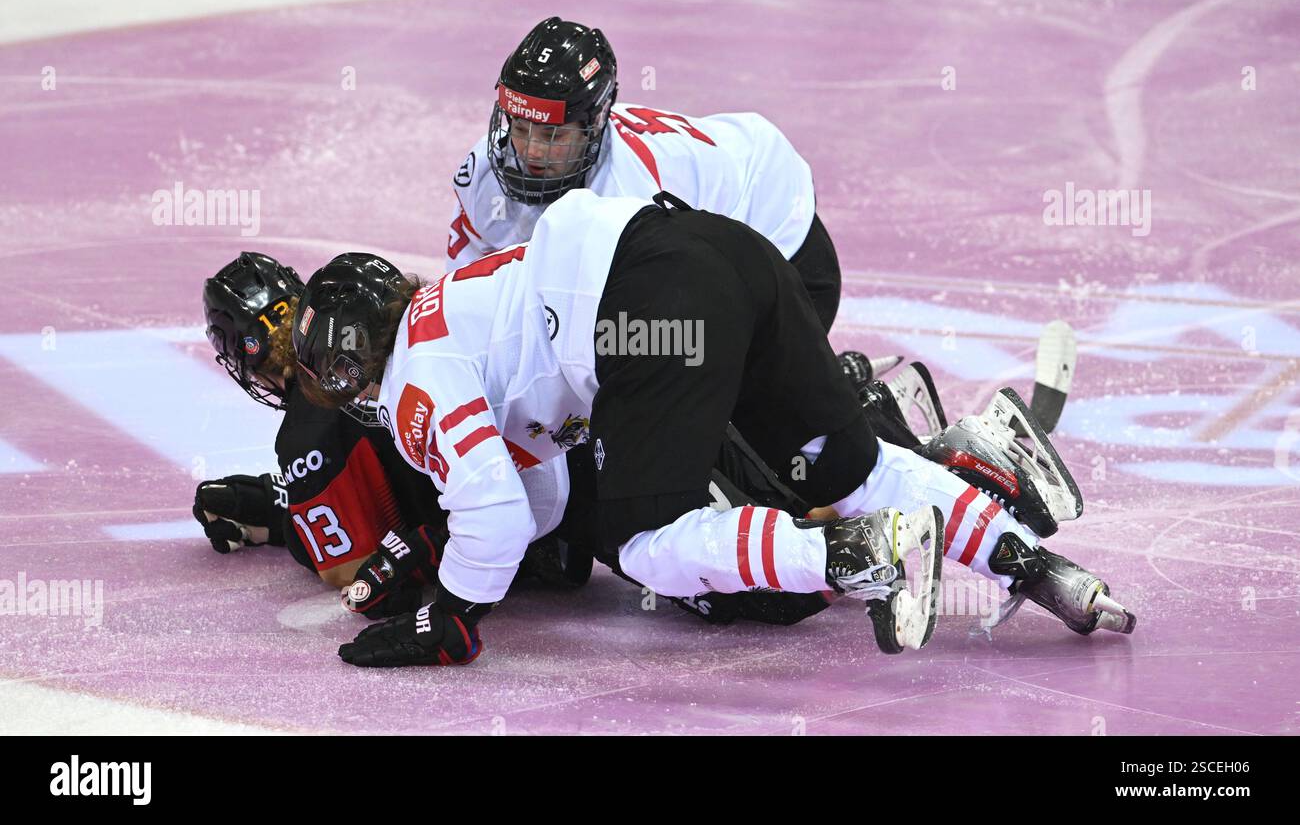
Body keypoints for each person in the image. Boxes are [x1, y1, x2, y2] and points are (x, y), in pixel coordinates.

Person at [293, 190, 1134, 668]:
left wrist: (449, 612)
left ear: (343, 361)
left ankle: (855, 554)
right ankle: (1034, 559)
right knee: (856, 469)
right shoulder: (459, 303)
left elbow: (503, 517)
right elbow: (536, 495)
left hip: (645, 314)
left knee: (644, 539)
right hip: (724, 252)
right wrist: (470, 541)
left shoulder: (413, 375)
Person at [193, 252, 587, 620]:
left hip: (531, 523)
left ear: (247, 360)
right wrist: (285, 505)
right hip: (568, 429)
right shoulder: (380, 334)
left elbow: (348, 567)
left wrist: (293, 531)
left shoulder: (305, 432)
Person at [446, 16, 843, 335]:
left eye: (552, 134)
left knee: (695, 398)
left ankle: (851, 409)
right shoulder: (483, 171)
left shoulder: (628, 198)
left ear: (594, 122)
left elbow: (643, 337)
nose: (530, 149)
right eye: (518, 126)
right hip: (702, 245)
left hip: (782, 246)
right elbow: (464, 296)